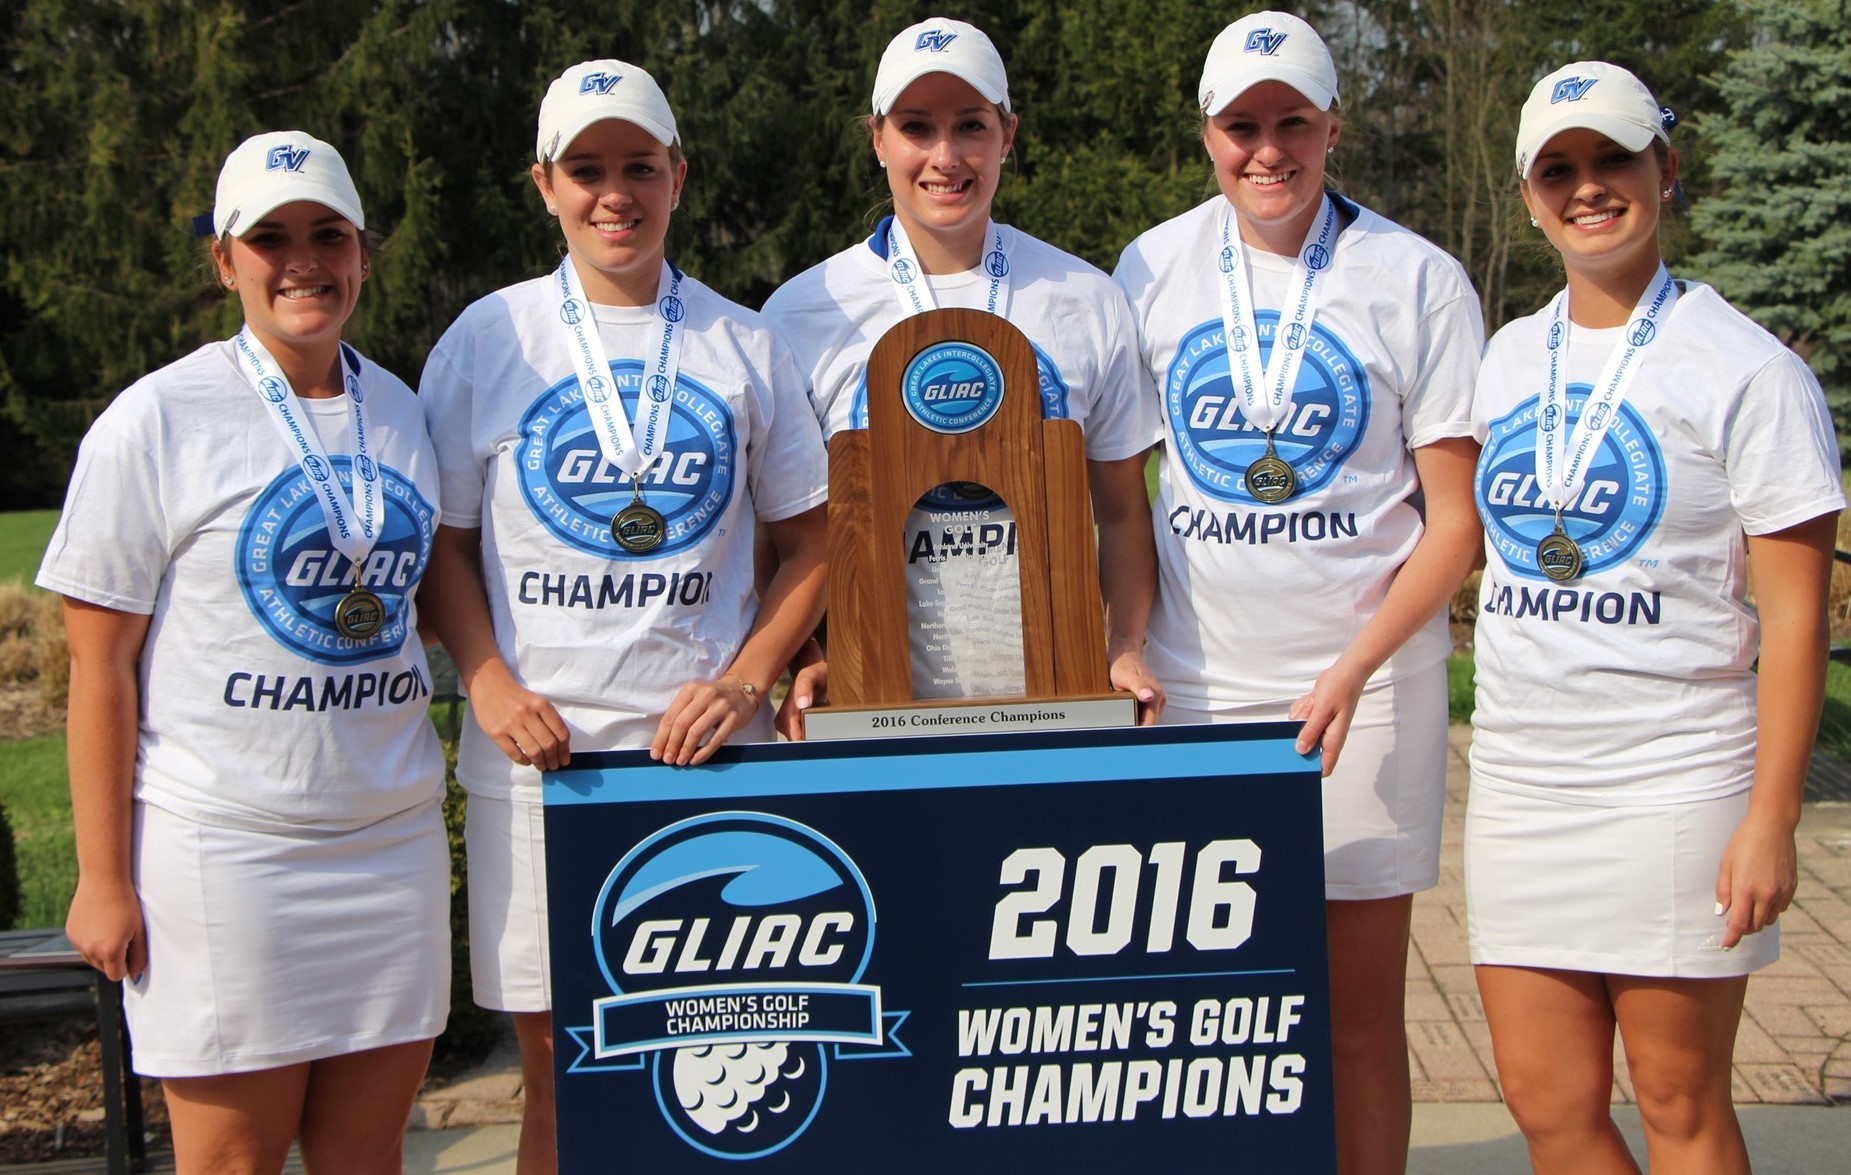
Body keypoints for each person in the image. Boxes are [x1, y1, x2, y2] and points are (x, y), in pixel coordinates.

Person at [416, 60, 828, 1174]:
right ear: (544, 184)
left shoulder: (743, 345)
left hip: (707, 759)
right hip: (542, 768)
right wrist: (487, 678)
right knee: (562, 1066)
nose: (616, 194)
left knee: (724, 1065)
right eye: (587, 169)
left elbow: (815, 540)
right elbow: (444, 545)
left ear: (678, 176)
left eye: (638, 167)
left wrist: (746, 677)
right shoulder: (486, 341)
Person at [1112, 13, 1486, 1173]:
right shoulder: (1150, 266)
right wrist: (1125, 642)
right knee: (1207, 1010)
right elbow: (1120, 496)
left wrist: (1357, 666)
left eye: (1291, 124)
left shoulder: (1417, 278)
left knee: (1357, 1012)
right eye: (1241, 127)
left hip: (1363, 692)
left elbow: (1455, 522)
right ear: (1207, 134)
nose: (1266, 152)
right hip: (1196, 689)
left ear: (1333, 125)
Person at [38, 131, 448, 1173]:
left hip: (391, 841)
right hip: (229, 849)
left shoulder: (401, 409)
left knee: (369, 1157)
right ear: (225, 261)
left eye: (328, 235)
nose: (303, 260)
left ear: (363, 252)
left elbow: (417, 597)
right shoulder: (156, 420)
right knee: (230, 1162)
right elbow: (99, 666)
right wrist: (101, 877)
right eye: (271, 238)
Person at [1467, 61, 1842, 1174]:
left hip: (1675, 781)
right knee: (1549, 1106)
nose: (1589, 188)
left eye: (1613, 160)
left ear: (1664, 171)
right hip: (1524, 785)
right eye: (1560, 170)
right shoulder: (1502, 358)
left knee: (1678, 1103)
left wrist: (1771, 815)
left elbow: (1798, 617)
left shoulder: (1748, 369)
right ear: (1531, 197)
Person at [761, 16, 1164, 726]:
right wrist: (805, 659)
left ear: (1007, 135)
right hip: (871, 703)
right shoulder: (799, 313)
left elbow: (1124, 508)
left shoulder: (1085, 298)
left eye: (970, 126)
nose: (945, 156)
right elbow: (780, 532)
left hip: (1053, 699)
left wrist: (1122, 646)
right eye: (917, 127)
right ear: (877, 139)